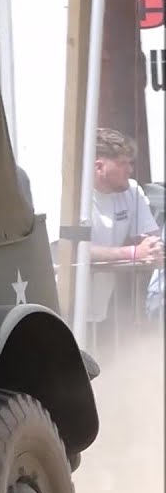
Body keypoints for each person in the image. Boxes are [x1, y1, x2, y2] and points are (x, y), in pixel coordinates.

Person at [85, 128, 163, 347]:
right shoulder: (72, 195)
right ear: (99, 166)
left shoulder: (131, 191)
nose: (130, 170)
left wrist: (152, 248)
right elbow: (70, 251)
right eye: (123, 163)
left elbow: (151, 238)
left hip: (104, 307)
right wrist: (132, 253)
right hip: (63, 308)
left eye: (130, 163)